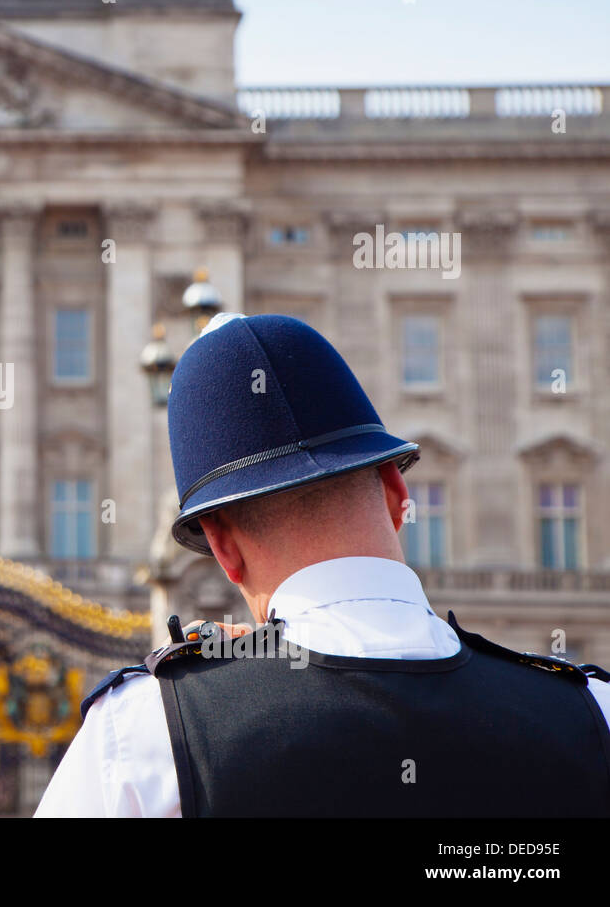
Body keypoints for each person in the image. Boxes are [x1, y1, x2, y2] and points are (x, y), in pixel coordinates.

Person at [37, 314, 610, 817]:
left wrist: (232, 679)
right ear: (394, 492)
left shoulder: (147, 735)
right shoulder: (588, 710)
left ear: (223, 549)